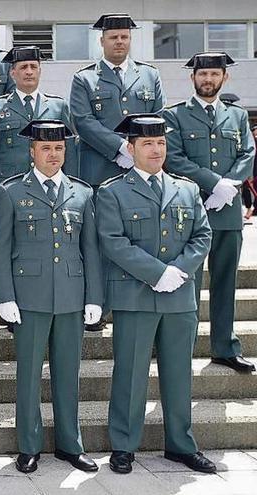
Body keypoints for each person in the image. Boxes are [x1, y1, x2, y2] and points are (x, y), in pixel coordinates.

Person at [97, 114, 214, 475]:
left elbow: (202, 235)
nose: (156, 149)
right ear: (130, 149)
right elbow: (113, 241)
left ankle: (180, 445)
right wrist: (156, 273)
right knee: (130, 374)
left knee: (179, 374)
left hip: (179, 296)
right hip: (135, 296)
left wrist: (178, 270)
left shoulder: (187, 188)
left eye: (161, 143)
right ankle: (124, 445)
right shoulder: (112, 191)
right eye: (147, 143)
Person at [0, 120, 101, 473]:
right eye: (46, 149)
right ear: (31, 152)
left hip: (71, 295)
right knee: (29, 376)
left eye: (59, 149)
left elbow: (91, 250)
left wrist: (94, 297)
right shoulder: (10, 192)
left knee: (69, 374)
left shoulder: (82, 193)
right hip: (29, 298)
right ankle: (29, 445)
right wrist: (4, 296)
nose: (53, 155)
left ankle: (71, 444)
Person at [70, 12, 165, 331]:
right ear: (102, 41)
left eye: (124, 36)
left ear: (130, 39)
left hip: (140, 173)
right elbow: (82, 121)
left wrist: (138, 151)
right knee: (100, 240)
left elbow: (158, 120)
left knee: (141, 236)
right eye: (113, 37)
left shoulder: (149, 76)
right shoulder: (84, 78)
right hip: (99, 171)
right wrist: (119, 148)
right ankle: (99, 304)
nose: (119, 41)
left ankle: (138, 300)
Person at [163, 52, 256, 373]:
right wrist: (216, 184)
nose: (208, 80)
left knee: (225, 281)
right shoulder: (174, 115)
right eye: (203, 75)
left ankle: (224, 348)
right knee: (187, 282)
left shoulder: (237, 115)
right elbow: (173, 158)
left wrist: (230, 186)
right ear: (193, 78)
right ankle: (180, 349)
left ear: (224, 78)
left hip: (227, 211)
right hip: (189, 210)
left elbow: (247, 152)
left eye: (215, 75)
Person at [0, 46, 79, 214]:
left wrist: (71, 188)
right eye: (23, 67)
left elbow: (69, 152)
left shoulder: (58, 106)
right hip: (10, 186)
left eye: (33, 67)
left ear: (40, 71)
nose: (29, 72)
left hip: (49, 186)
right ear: (12, 73)